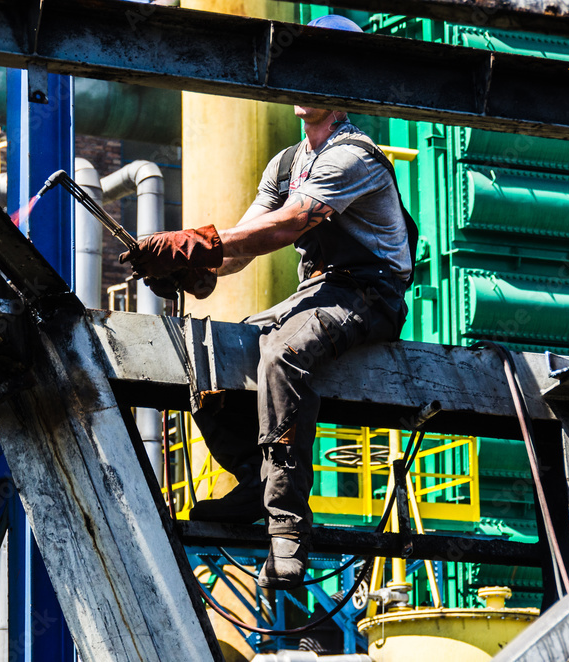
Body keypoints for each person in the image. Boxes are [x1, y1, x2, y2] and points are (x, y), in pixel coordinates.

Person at [120, 15, 413, 588]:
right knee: (209, 350)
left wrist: (196, 244)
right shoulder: (286, 163)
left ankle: (287, 529)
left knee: (283, 352)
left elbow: (288, 226)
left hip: (372, 292)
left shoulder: (354, 156)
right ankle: (256, 482)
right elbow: (241, 246)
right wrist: (194, 267)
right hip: (320, 291)